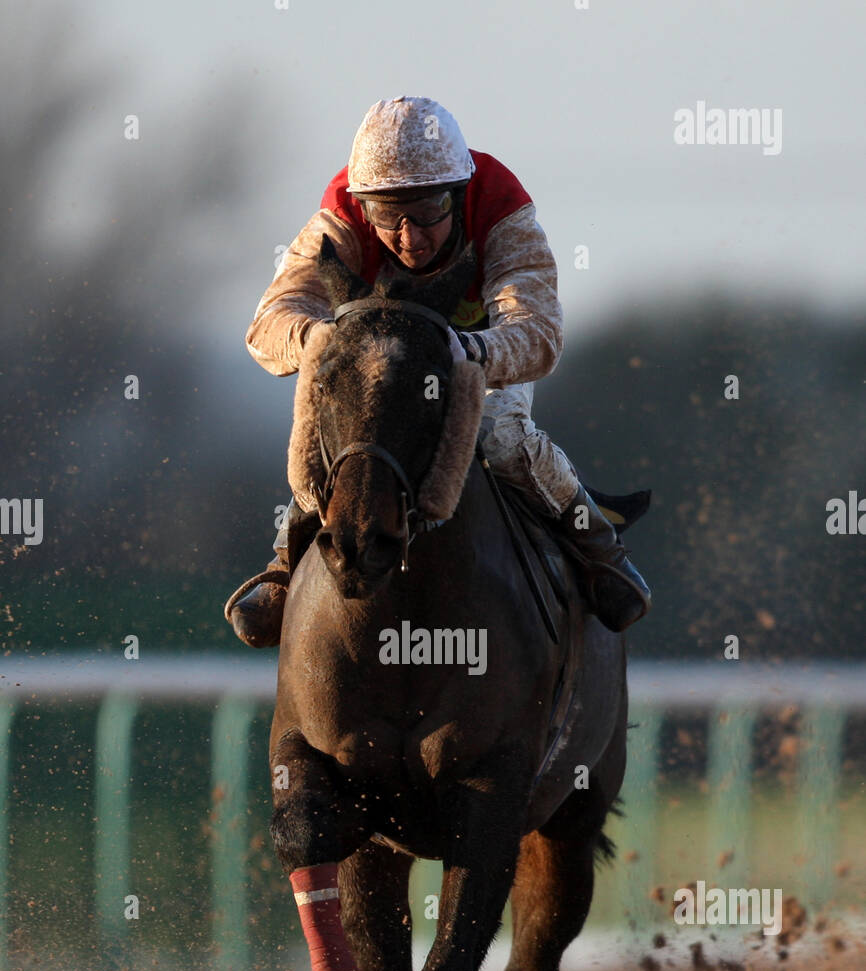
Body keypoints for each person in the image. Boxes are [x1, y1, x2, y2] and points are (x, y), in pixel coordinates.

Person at [227, 96, 651, 646]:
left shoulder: (500, 205)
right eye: (388, 216)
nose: (410, 238)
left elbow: (539, 336)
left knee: (499, 433)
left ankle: (598, 548)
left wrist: (463, 350)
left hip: (476, 349)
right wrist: (319, 338)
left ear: (459, 193)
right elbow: (267, 325)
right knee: (338, 413)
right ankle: (286, 563)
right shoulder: (341, 213)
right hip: (383, 361)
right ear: (363, 205)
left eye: (428, 212)